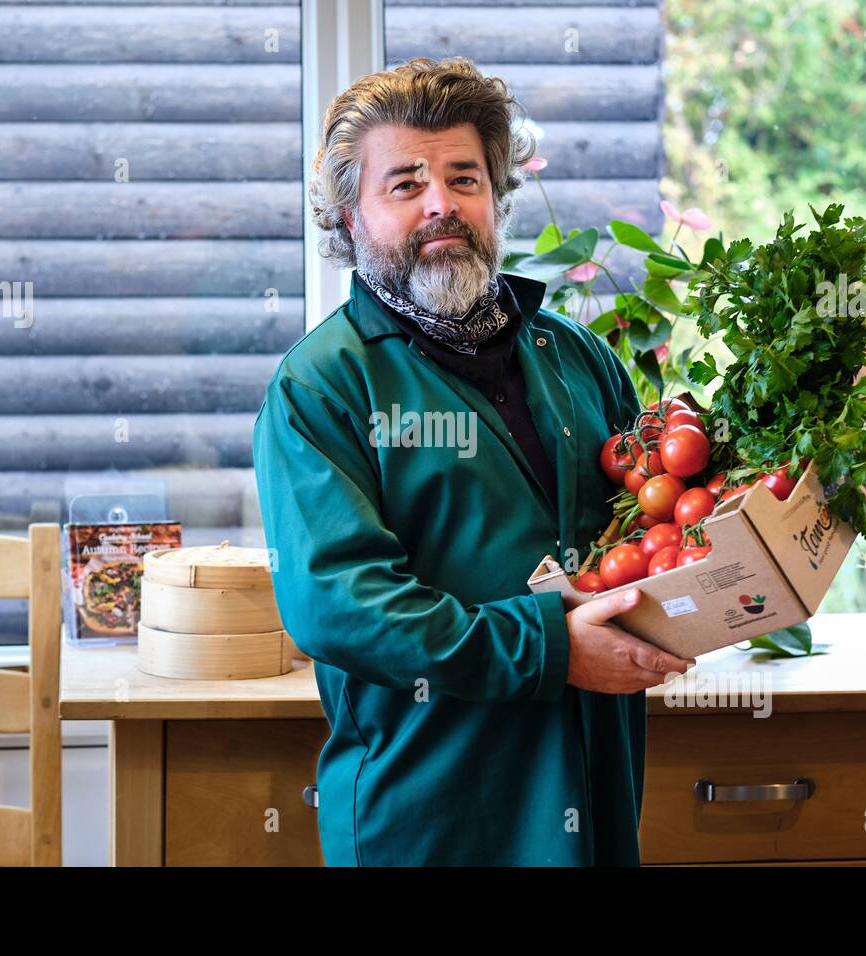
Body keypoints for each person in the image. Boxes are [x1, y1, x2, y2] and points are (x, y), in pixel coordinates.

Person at [252, 56, 695, 866]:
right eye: (405, 184)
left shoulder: (580, 359)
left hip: (593, 807)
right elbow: (338, 605)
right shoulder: (321, 387)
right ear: (349, 217)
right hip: (428, 820)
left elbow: (656, 529)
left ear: (495, 197)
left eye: (464, 177)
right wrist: (551, 650)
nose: (441, 205)